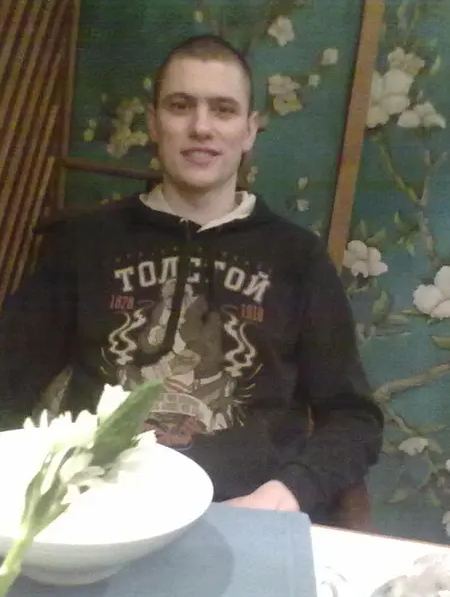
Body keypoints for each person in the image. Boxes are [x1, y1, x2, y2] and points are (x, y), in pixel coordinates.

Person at [0, 34, 383, 522]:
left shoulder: (298, 258)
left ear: (249, 131)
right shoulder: (84, 242)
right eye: (181, 106)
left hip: (243, 513)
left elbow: (353, 418)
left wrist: (287, 493)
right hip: (95, 511)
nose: (201, 127)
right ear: (154, 122)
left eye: (223, 110)